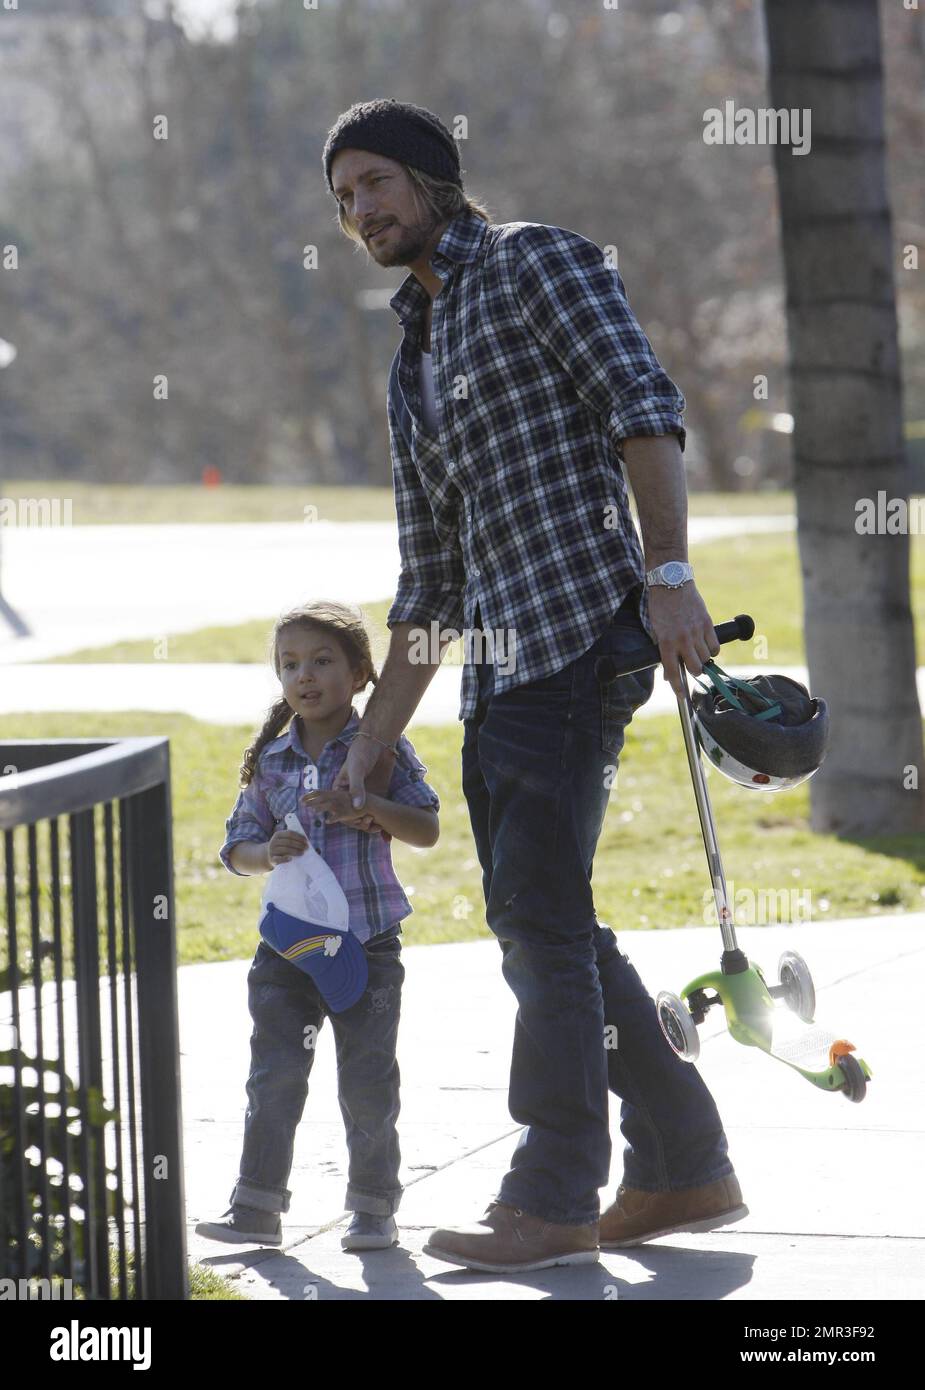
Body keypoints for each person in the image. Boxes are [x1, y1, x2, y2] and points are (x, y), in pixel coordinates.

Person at [320, 99, 748, 1273]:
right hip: (497, 678)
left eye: (374, 183)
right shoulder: (411, 355)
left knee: (538, 925)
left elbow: (641, 406)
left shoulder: (532, 262)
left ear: (431, 178)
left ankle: (553, 1186)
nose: (359, 209)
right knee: (544, 916)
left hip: (580, 638)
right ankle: (683, 1162)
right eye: (343, 196)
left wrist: (668, 576)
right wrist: (368, 740)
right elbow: (431, 578)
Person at [195, 600, 440, 1252]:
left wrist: (373, 806)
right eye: (290, 664)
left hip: (367, 944)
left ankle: (371, 1209)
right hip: (287, 948)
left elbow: (427, 827)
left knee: (366, 1079)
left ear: (361, 673)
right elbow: (236, 847)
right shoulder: (271, 761)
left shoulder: (381, 752)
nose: (304, 676)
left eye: (321, 661)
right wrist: (264, 852)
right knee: (273, 1074)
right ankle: (256, 1208)